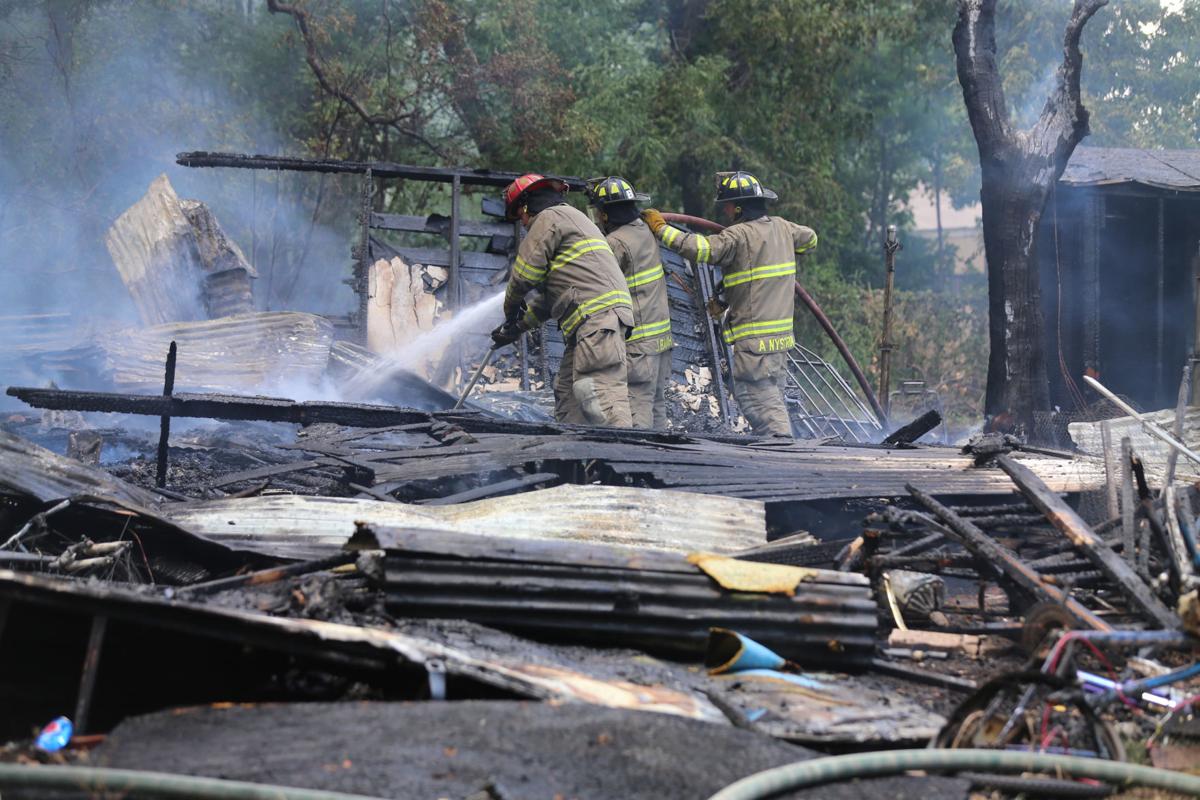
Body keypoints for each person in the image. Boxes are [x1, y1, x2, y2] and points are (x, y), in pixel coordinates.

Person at [641, 171, 817, 436]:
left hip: (754, 342)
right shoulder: (784, 228)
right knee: (772, 398)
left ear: (737, 207)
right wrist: (723, 299)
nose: (724, 211)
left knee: (758, 402)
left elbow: (700, 249)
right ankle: (772, 455)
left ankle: (782, 453)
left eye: (725, 206)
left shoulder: (738, 235)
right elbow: (810, 239)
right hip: (780, 341)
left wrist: (661, 229)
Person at [491, 173, 634, 427]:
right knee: (568, 394)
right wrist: (516, 328)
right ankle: (578, 458)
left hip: (598, 320)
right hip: (592, 321)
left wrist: (510, 309)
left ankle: (629, 457)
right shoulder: (571, 220)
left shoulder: (549, 218)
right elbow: (549, 302)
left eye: (520, 216)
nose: (523, 224)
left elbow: (524, 275)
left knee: (598, 391)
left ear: (526, 205)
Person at [586, 176, 673, 429]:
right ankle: (662, 459)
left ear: (604, 215)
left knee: (637, 407)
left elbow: (597, 284)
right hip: (661, 339)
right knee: (656, 402)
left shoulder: (615, 243)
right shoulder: (646, 230)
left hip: (638, 345)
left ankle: (641, 461)